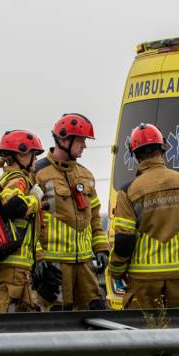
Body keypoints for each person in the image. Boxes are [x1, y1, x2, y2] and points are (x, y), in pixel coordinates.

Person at [109, 123, 179, 309]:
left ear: (135, 154)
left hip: (143, 279)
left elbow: (124, 240)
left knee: (142, 331)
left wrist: (116, 271)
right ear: (162, 148)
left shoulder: (128, 191)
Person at [31, 113, 109, 310]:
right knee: (57, 321)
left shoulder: (86, 175)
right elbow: (28, 221)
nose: (84, 146)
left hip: (84, 266)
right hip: (54, 266)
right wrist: (37, 258)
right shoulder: (38, 174)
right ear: (64, 139)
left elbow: (95, 219)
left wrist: (101, 249)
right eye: (81, 140)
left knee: (95, 313)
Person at [0, 130, 45, 313]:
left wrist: (38, 258)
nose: (35, 159)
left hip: (9, 265)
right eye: (34, 154)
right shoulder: (18, 180)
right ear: (21, 154)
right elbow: (12, 205)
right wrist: (35, 199)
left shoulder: (4, 179)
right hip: (11, 267)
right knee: (4, 321)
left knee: (27, 316)